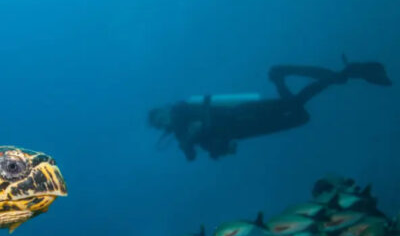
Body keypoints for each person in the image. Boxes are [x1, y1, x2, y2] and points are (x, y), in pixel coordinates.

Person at [149, 59, 392, 161]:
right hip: (248, 126)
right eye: (160, 123)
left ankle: (346, 73)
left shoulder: (182, 112)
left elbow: (199, 132)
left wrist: (193, 137)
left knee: (298, 112)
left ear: (164, 110)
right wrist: (219, 150)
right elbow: (201, 150)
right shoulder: (183, 131)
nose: (164, 121)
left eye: (160, 116)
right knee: (299, 114)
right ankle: (285, 78)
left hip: (244, 115)